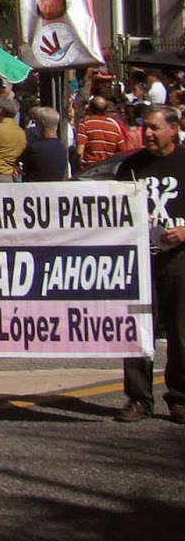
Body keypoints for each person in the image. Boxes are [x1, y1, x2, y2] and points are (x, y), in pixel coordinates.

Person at [115, 105, 185, 423]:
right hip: (139, 261)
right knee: (137, 331)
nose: (148, 133)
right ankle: (139, 398)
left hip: (178, 260)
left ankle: (180, 397)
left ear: (174, 128)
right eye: (145, 127)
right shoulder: (131, 166)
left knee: (180, 331)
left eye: (155, 128)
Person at [76, 95, 126, 170]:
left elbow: (79, 152)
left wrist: (79, 168)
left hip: (89, 169)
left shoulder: (85, 124)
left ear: (90, 109)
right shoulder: (114, 127)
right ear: (106, 110)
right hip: (108, 170)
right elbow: (123, 152)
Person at [21, 106, 70, 182]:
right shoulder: (62, 148)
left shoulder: (35, 149)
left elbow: (25, 168)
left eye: (36, 123)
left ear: (41, 123)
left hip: (35, 191)